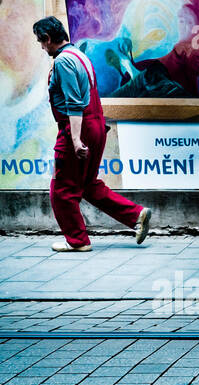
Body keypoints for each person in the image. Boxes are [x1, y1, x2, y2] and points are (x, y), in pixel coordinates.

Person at [33, 16, 151, 253]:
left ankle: (77, 241)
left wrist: (75, 140)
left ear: (47, 38)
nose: (41, 47)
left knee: (62, 190)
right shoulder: (79, 55)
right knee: (86, 184)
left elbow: (74, 103)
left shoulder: (63, 62)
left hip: (79, 128)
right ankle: (136, 215)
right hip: (95, 125)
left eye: (40, 42)